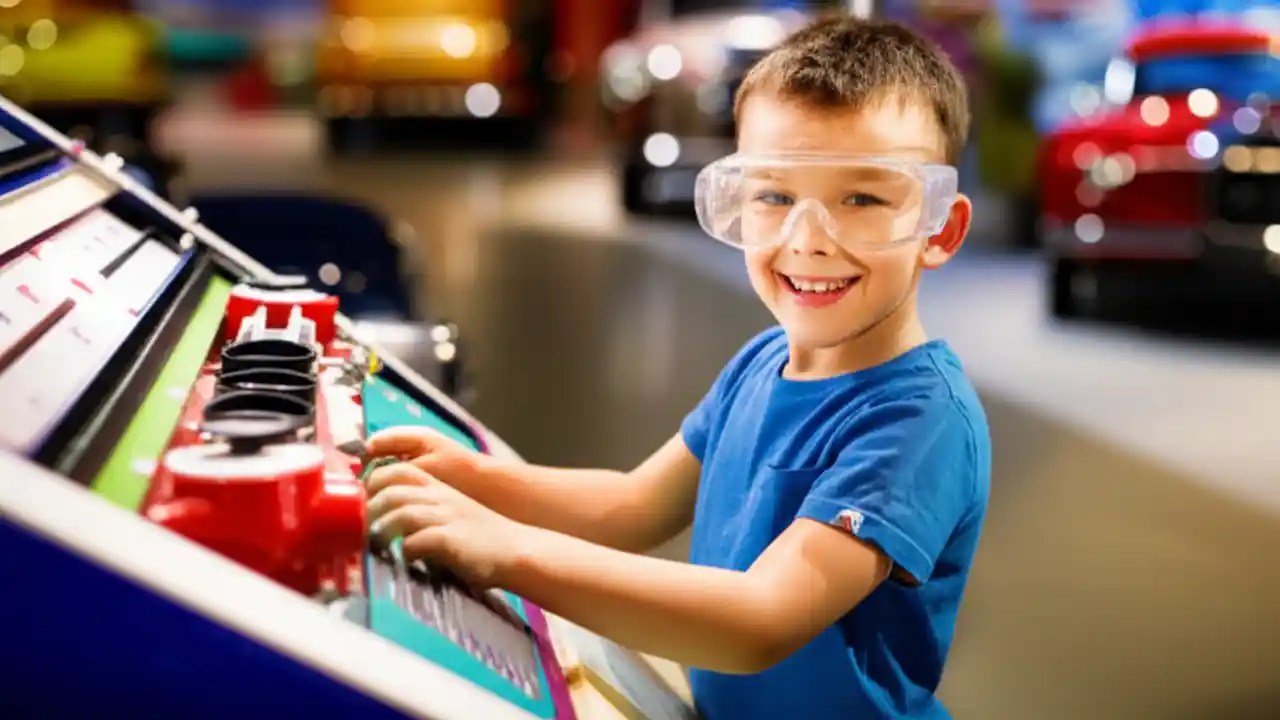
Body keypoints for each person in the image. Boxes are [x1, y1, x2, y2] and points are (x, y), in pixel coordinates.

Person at [363, 16, 991, 719]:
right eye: (774, 196)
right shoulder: (763, 361)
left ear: (940, 229)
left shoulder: (919, 420)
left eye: (865, 200)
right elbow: (629, 506)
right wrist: (470, 477)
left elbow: (761, 620)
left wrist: (506, 551)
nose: (808, 240)